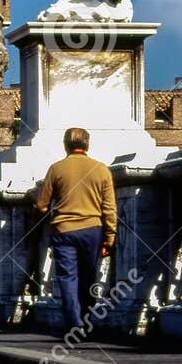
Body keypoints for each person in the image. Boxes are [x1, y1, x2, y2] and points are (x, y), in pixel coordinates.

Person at [30, 126, 117, 335]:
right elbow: (109, 208)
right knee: (89, 277)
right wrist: (110, 237)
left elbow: (42, 205)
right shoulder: (101, 169)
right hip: (92, 230)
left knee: (67, 278)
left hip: (63, 230)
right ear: (87, 144)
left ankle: (74, 323)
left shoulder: (56, 169)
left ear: (65, 145)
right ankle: (87, 321)